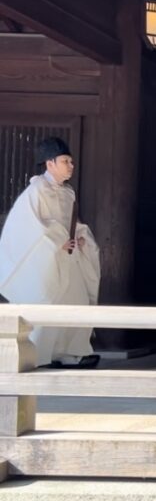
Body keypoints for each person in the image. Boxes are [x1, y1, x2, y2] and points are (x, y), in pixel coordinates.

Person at [0, 137, 100, 368]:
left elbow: (73, 223)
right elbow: (28, 227)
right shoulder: (36, 191)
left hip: (68, 256)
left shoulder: (68, 193)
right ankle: (38, 354)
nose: (71, 166)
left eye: (71, 161)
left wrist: (80, 237)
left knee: (78, 300)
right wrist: (57, 241)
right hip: (46, 259)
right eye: (66, 161)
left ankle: (71, 351)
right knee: (48, 301)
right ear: (50, 164)